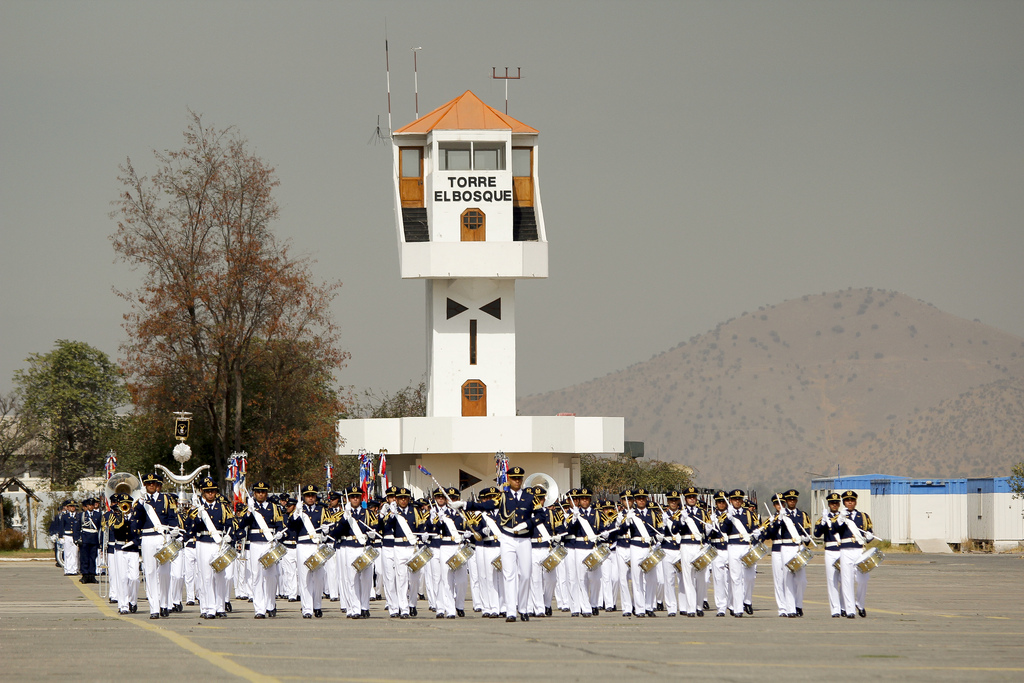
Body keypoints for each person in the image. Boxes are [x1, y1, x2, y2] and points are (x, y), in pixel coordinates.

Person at [453, 465, 535, 622]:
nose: (517, 481)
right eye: (514, 478)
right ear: (509, 480)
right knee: (508, 575)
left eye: (519, 479)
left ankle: (523, 607)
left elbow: (540, 516)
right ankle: (511, 611)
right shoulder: (503, 497)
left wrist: (527, 524)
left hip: (524, 538)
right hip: (508, 539)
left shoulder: (530, 497)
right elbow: (484, 505)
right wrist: (464, 505)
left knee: (525, 575)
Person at [235, 481, 285, 619]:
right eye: (258, 492)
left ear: (266, 493)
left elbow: (280, 523)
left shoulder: (274, 507)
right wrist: (250, 512)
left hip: (269, 543)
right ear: (254, 493)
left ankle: (270, 604)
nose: (261, 494)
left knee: (271, 576)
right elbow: (242, 524)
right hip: (255, 543)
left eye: (263, 492)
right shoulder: (250, 507)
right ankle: (259, 609)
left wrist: (280, 532)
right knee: (256, 576)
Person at [134, 472, 181, 618]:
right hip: (148, 537)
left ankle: (164, 604)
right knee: (150, 573)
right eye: (148, 484)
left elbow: (172, 517)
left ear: (157, 485)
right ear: (145, 486)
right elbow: (137, 519)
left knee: (165, 573)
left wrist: (175, 531)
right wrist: (141, 503)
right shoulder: (140, 501)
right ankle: (154, 608)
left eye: (153, 483)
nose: (151, 485)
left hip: (163, 537)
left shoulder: (166, 499)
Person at [332, 485, 378, 619]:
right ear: (349, 499)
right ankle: (355, 608)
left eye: (357, 496)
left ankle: (365, 607)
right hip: (350, 547)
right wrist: (344, 520)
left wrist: (373, 533)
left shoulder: (367, 513)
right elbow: (336, 533)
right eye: (352, 497)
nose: (355, 499)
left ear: (361, 497)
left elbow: (375, 527)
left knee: (366, 579)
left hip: (364, 548)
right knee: (351, 580)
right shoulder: (343, 514)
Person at [192, 477, 235, 619]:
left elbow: (230, 524)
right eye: (207, 491)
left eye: (213, 491)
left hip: (218, 543)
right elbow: (191, 527)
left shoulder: (222, 507)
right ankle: (209, 608)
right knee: (206, 576)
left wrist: (230, 537)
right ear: (202, 492)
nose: (210, 494)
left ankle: (220, 607)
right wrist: (198, 516)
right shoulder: (198, 508)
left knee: (221, 576)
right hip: (203, 542)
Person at [380, 487, 427, 618]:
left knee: (414, 578)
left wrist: (424, 534)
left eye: (405, 498)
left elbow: (421, 526)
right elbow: (385, 527)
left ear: (409, 499)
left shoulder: (415, 511)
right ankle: (404, 608)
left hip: (412, 547)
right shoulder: (393, 512)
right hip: (399, 547)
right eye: (400, 498)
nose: (403, 500)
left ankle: (412, 604)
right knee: (401, 578)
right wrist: (390, 515)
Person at [288, 484, 331, 618]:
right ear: (304, 497)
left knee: (318, 577)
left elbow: (329, 525)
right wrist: (296, 513)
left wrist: (326, 531)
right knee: (304, 576)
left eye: (312, 495)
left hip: (316, 544)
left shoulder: (322, 510)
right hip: (303, 544)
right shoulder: (299, 511)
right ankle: (306, 608)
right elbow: (291, 527)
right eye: (308, 496)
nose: (310, 498)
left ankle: (317, 605)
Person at [563, 487, 607, 618]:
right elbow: (569, 530)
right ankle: (585, 607)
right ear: (579, 501)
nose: (585, 501)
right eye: (582, 499)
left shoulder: (597, 513)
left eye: (587, 499)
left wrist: (604, 534)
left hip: (593, 547)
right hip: (579, 547)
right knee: (581, 579)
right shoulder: (575, 514)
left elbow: (603, 528)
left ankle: (593, 604)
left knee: (595, 579)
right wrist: (574, 519)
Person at [720, 489, 762, 617]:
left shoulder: (749, 514)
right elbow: (724, 529)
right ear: (731, 501)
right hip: (733, 547)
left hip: (746, 546)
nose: (737, 501)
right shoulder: (726, 514)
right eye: (735, 499)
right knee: (735, 578)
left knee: (749, 577)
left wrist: (758, 533)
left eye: (739, 499)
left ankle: (746, 601)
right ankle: (738, 608)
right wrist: (728, 518)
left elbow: (756, 528)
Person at [836, 490, 874, 618]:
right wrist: (840, 519)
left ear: (855, 502)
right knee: (847, 580)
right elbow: (834, 531)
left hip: (859, 549)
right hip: (845, 549)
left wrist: (869, 536)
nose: (850, 502)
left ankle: (859, 603)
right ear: (844, 502)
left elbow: (869, 532)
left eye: (852, 500)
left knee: (863, 579)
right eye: (847, 500)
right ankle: (849, 609)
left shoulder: (863, 516)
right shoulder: (840, 516)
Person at [814, 492, 845, 617]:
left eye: (836, 503)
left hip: (843, 550)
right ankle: (835, 609)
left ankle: (844, 607)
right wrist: (823, 523)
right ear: (829, 504)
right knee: (832, 581)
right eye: (832, 503)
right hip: (830, 550)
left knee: (845, 580)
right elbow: (817, 534)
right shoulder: (823, 518)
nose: (834, 505)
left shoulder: (844, 517)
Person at [707, 491, 732, 617]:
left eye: (723, 501)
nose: (721, 504)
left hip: (729, 548)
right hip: (717, 549)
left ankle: (732, 604)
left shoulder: (732, 514)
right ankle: (721, 607)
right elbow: (706, 535)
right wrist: (710, 525)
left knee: (732, 578)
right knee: (718, 579)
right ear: (716, 503)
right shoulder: (711, 515)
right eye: (719, 502)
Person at [74, 498, 102, 584]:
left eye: (92, 505)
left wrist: (100, 541)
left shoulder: (98, 515)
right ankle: (85, 575)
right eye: (89, 505)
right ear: (86, 506)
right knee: (84, 558)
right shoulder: (81, 515)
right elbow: (77, 528)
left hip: (94, 539)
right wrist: (76, 539)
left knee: (92, 558)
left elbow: (101, 528)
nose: (91, 506)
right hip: (84, 539)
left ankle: (92, 575)